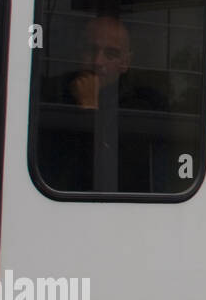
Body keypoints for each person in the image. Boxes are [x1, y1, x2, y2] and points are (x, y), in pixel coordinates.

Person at [39, 14, 169, 192]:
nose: (98, 61)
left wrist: (89, 111)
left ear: (125, 63)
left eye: (111, 54)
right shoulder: (51, 93)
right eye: (91, 50)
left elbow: (111, 175)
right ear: (79, 52)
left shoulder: (141, 105)